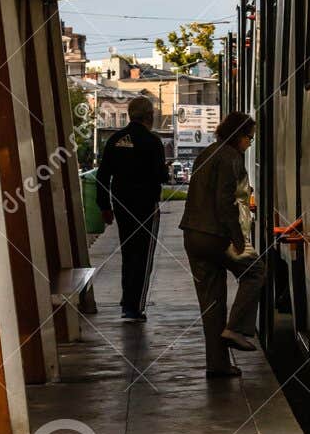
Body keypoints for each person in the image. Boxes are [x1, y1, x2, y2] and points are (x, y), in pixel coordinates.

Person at [180, 111, 265, 378]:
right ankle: (237, 329)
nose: (249, 143)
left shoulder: (207, 153)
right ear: (238, 136)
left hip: (193, 236)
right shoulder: (231, 158)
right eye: (249, 138)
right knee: (256, 271)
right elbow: (225, 203)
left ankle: (217, 365)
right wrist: (238, 240)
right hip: (217, 237)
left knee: (211, 303)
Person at [96, 94, 168, 321]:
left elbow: (102, 176)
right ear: (150, 116)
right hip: (145, 206)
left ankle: (127, 299)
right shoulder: (153, 141)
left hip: (121, 204)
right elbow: (161, 176)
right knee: (143, 255)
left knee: (128, 252)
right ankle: (134, 306)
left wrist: (104, 206)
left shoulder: (116, 139)